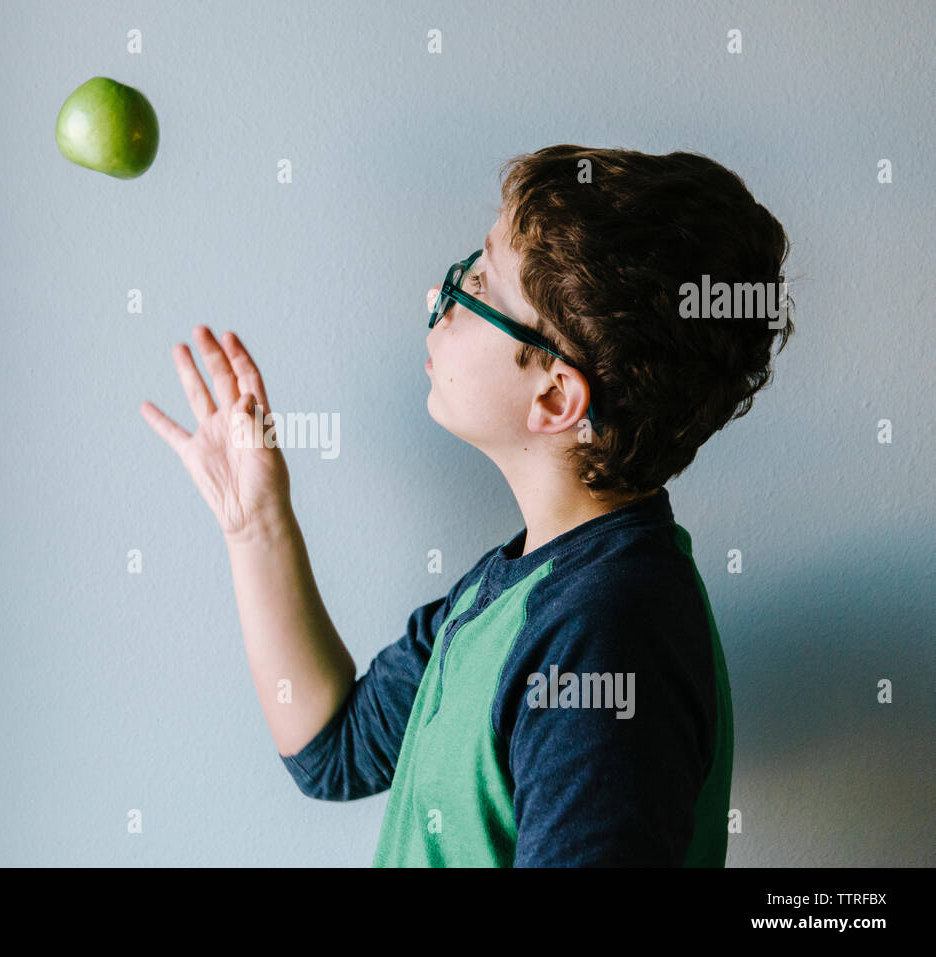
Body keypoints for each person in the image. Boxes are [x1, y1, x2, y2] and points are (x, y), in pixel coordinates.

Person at [139, 144, 794, 866]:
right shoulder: (522, 584)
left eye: (479, 281)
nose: (439, 299)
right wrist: (254, 522)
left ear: (554, 396)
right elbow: (334, 749)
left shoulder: (603, 638)